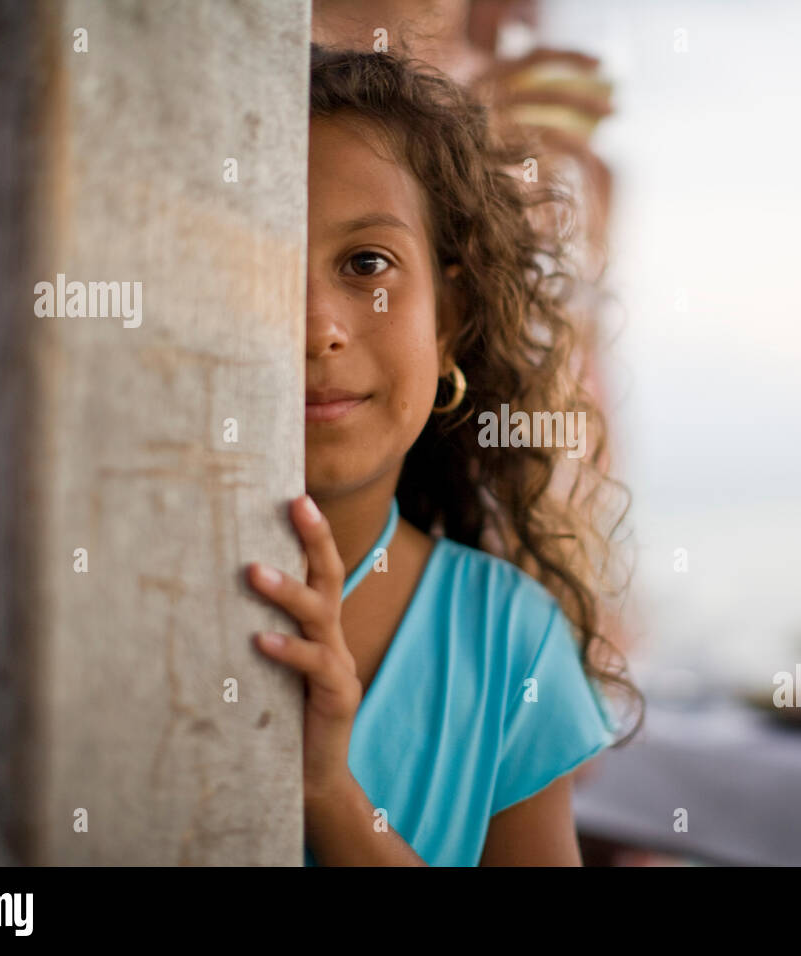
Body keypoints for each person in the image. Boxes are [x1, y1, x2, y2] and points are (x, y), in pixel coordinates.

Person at [243, 46, 641, 866]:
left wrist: (327, 793)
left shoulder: (510, 643)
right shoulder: (135, 591)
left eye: (367, 265)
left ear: (447, 319)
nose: (318, 326)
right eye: (265, 269)